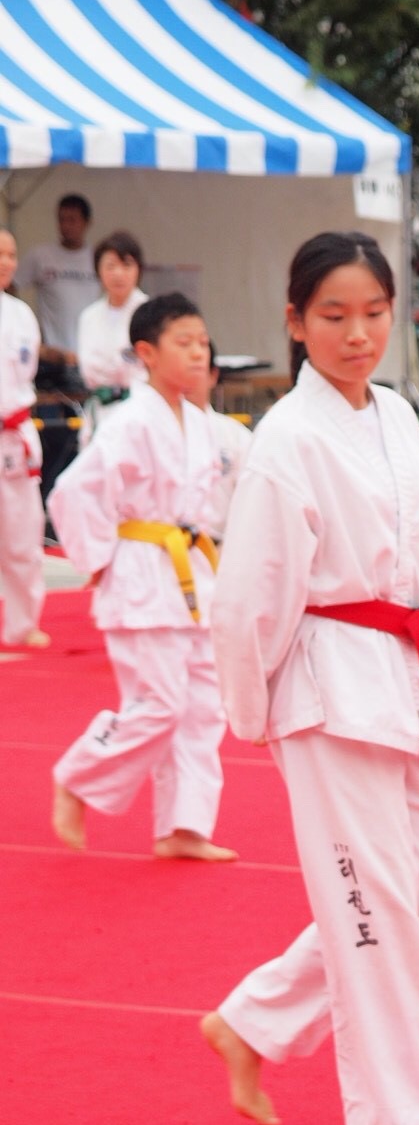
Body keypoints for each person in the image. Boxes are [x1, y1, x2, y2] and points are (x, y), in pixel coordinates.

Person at [201, 230, 419, 1125]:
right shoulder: (286, 440)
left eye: (372, 313)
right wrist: (251, 713)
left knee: (408, 896)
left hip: (404, 671)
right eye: (334, 317)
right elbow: (252, 593)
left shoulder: (398, 415)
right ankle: (392, 1122)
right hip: (329, 687)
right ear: (294, 323)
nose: (357, 334)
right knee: (383, 908)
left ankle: (253, 1021)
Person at [49, 293, 234, 862]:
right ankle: (78, 775)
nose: (198, 353)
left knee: (204, 707)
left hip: (188, 574)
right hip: (141, 574)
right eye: (185, 343)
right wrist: (100, 558)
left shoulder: (200, 424)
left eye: (202, 342)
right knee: (159, 704)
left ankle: (184, 826)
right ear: (147, 354)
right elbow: (74, 492)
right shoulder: (129, 422)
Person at [0, 227, 50, 650]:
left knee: (21, 533)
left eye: (11, 254)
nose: (6, 262)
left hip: (12, 435)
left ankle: (21, 623)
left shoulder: (21, 314)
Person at [14, 193, 98, 366]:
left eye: (72, 220)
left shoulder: (97, 258)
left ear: (87, 222)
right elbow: (11, 284)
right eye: (61, 220)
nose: (66, 226)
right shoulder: (41, 256)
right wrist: (23, 321)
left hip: (90, 353)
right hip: (53, 355)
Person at [182, 338, 253, 540]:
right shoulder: (149, 432)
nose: (186, 381)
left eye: (195, 371)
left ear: (212, 375)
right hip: (163, 550)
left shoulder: (236, 437)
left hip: (223, 549)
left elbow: (253, 506)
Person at [77, 230, 149, 427]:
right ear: (98, 270)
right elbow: (88, 369)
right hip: (99, 411)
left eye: (126, 265)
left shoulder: (150, 313)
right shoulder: (89, 317)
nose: (118, 273)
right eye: (110, 266)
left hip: (140, 411)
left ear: (138, 269)